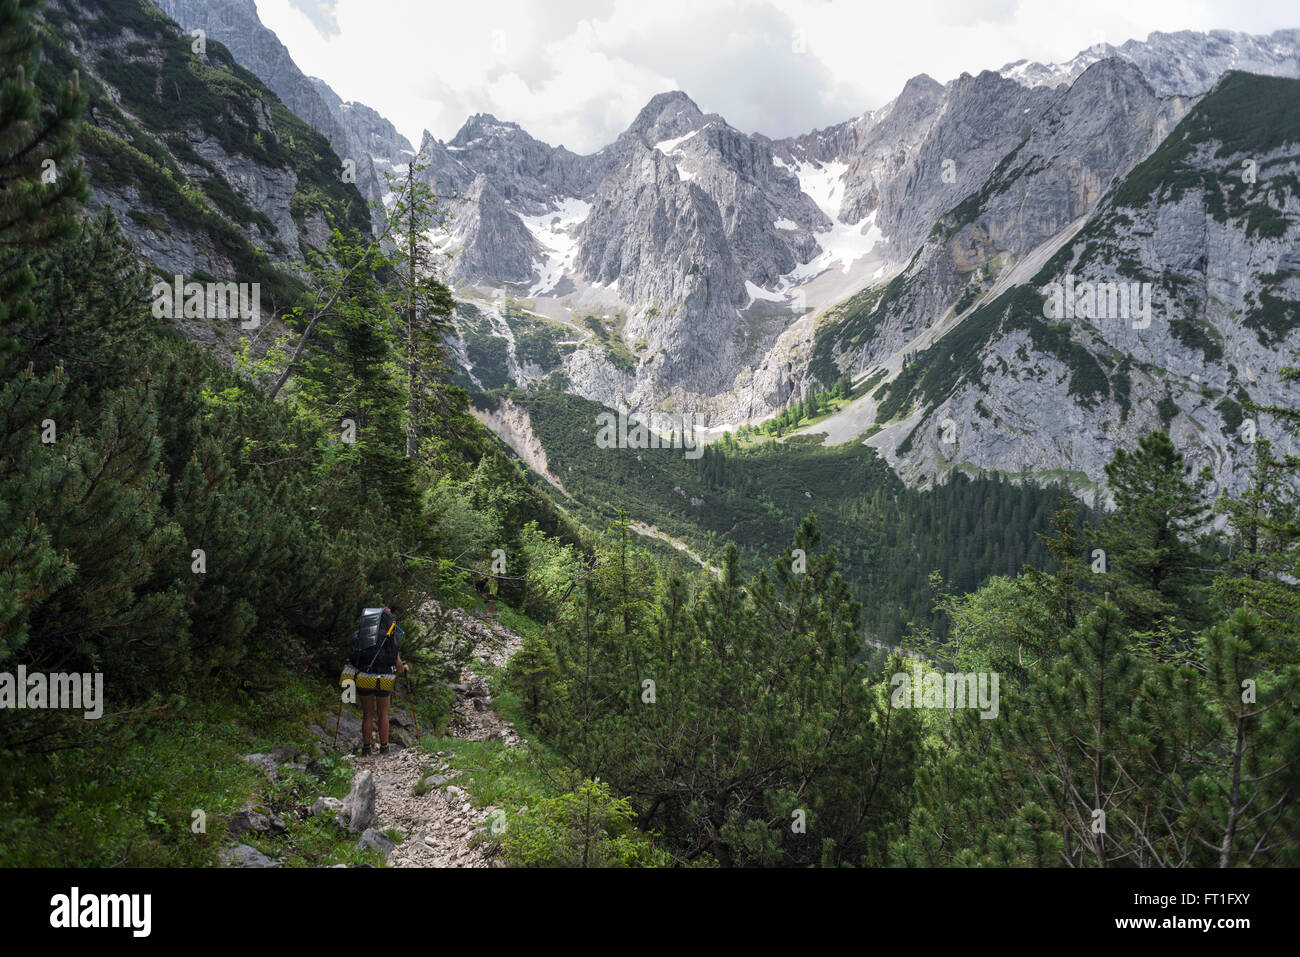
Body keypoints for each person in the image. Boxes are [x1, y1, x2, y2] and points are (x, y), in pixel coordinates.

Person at [342, 606, 409, 756]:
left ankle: (366, 749)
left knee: (367, 714)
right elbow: (398, 664)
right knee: (383, 713)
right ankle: (384, 748)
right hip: (384, 677)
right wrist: (404, 667)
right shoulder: (389, 636)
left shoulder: (361, 634)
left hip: (364, 676)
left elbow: (352, 657)